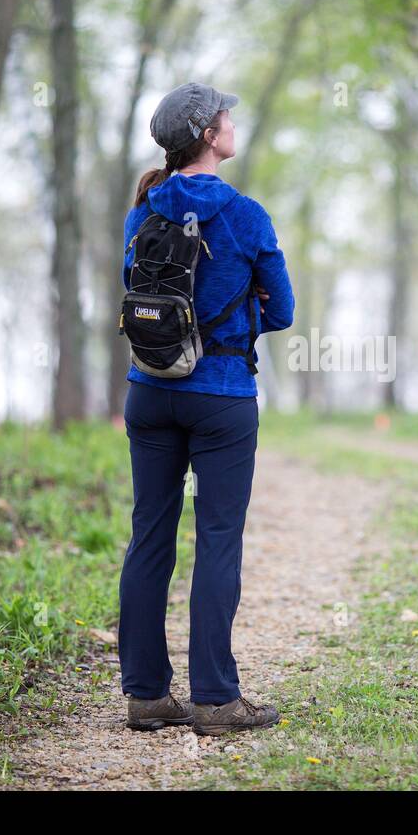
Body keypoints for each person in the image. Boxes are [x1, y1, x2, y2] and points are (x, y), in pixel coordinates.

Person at [117, 82, 295, 735]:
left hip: (149, 392)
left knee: (149, 538)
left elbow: (129, 294)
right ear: (208, 134)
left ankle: (145, 694)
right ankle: (216, 700)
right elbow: (284, 309)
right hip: (221, 398)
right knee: (217, 539)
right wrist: (236, 319)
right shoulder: (245, 214)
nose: (231, 119)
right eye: (225, 114)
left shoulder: (143, 211)